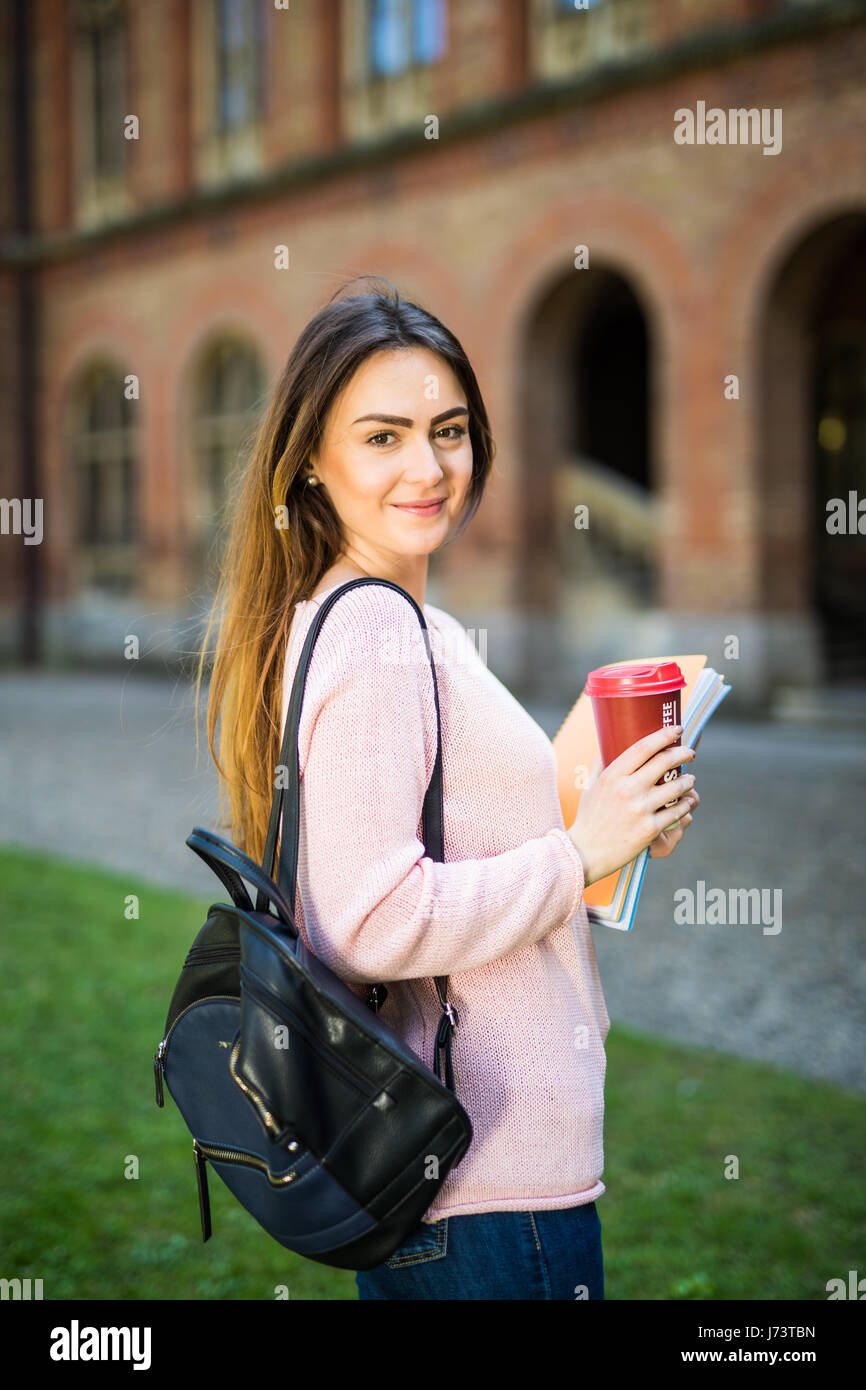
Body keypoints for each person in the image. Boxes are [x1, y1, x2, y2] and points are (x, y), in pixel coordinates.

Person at [199, 275, 698, 1300]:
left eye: (449, 429)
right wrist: (575, 854)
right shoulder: (378, 631)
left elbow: (445, 849)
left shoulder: (382, 619)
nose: (427, 467)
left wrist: (607, 828)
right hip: (486, 1195)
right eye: (381, 436)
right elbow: (371, 920)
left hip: (458, 1190)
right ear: (310, 462)